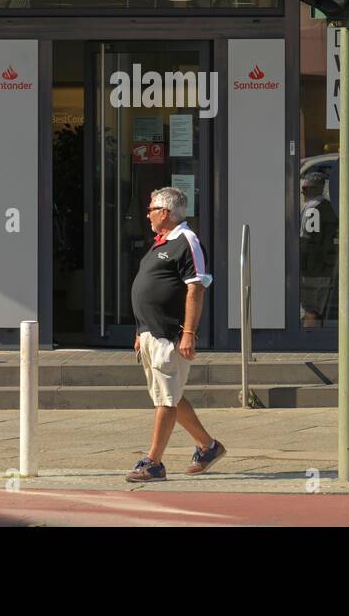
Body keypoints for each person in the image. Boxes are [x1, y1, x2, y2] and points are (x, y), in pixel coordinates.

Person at [126, 187, 224, 482]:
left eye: (151, 209)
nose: (148, 214)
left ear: (165, 213)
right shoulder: (161, 242)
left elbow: (196, 287)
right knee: (170, 395)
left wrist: (189, 333)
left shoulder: (187, 241)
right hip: (150, 334)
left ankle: (153, 462)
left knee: (166, 400)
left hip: (170, 333)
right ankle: (208, 447)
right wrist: (140, 330)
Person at [299, 171, 337, 327]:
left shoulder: (312, 209)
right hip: (326, 268)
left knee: (310, 310)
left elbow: (307, 240)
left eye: (306, 188)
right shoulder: (330, 207)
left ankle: (310, 341)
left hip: (311, 269)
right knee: (317, 309)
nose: (302, 191)